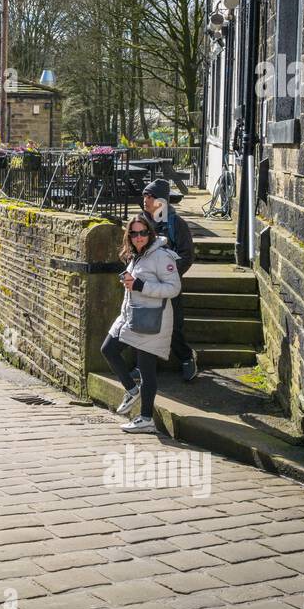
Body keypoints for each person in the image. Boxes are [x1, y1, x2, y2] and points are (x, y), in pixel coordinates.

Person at [102, 214, 183, 434]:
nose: (139, 237)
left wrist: (140, 285)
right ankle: (131, 389)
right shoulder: (137, 255)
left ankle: (146, 418)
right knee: (108, 349)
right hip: (131, 316)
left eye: (143, 233)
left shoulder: (161, 257)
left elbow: (173, 288)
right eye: (134, 233)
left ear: (150, 233)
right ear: (129, 235)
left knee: (147, 370)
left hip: (152, 319)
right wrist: (131, 282)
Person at [141, 178, 198, 381]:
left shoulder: (176, 223)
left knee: (173, 325)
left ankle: (186, 358)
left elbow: (187, 254)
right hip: (146, 284)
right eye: (145, 195)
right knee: (145, 325)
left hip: (168, 284)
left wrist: (171, 275)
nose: (145, 199)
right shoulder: (141, 221)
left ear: (162, 201)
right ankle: (144, 366)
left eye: (150, 196)